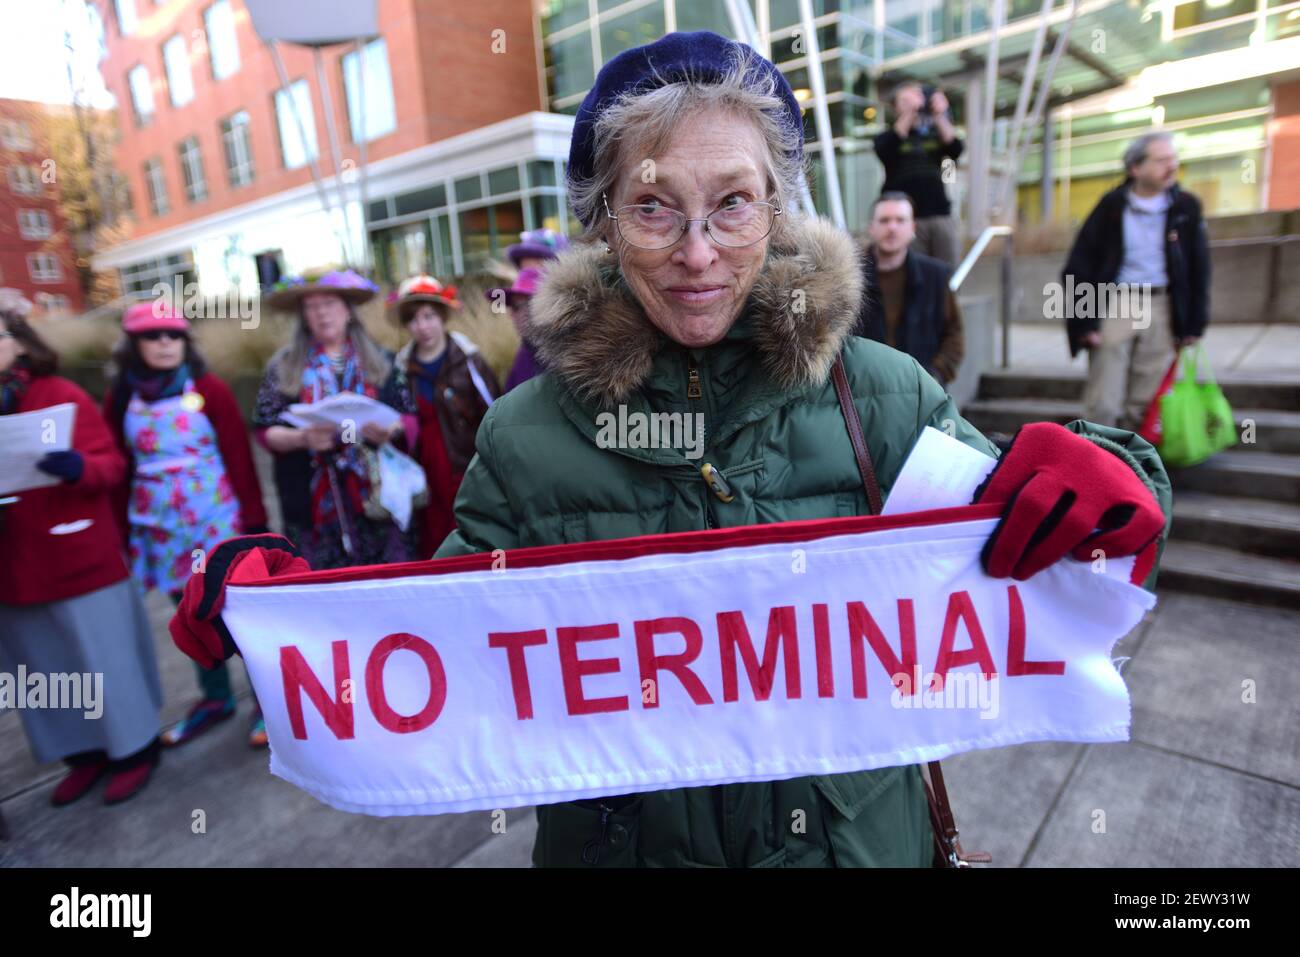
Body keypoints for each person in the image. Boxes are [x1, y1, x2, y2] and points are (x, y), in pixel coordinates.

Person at [428, 32, 1171, 867]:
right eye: (652, 207)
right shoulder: (525, 433)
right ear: (601, 222)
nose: (698, 251)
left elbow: (1065, 550)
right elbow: (427, 644)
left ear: (780, 207)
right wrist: (277, 616)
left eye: (734, 203)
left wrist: (1113, 481)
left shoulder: (885, 397)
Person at [0, 292, 164, 806]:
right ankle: (84, 754)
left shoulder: (58, 393)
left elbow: (112, 466)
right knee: (42, 670)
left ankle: (135, 750)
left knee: (102, 659)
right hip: (13, 568)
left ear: (18, 344)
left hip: (76, 559)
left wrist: (76, 467)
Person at [103, 301, 271, 749]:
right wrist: (120, 530)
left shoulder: (209, 389)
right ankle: (216, 699)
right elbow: (119, 466)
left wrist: (254, 521)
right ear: (133, 345)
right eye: (152, 336)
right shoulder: (122, 396)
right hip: (161, 529)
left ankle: (267, 702)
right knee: (190, 614)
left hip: (214, 521)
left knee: (235, 610)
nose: (164, 343)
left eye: (173, 335)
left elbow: (239, 455)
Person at [253, 269, 413, 569]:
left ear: (348, 311)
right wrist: (301, 438)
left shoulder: (384, 361)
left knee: (386, 581)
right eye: (312, 307)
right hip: (311, 503)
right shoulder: (284, 367)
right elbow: (264, 429)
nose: (322, 313)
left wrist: (390, 430)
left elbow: (408, 415)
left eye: (329, 303)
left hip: (378, 499)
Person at [1063, 131, 1211, 430]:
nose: (1171, 166)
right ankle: (1096, 467)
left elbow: (1199, 268)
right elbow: (1079, 264)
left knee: (1145, 402)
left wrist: (1193, 323)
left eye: (1173, 158)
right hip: (1118, 301)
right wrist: (1083, 322)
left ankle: (1134, 470)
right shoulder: (1111, 206)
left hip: (1163, 305)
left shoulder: (1186, 207)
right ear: (1135, 168)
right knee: (1103, 401)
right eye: (1161, 160)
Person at [380, 275, 499, 557]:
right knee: (432, 543)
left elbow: (493, 414)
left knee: (471, 538)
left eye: (429, 316)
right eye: (413, 319)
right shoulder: (400, 368)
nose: (422, 327)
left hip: (465, 468)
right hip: (422, 474)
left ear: (442, 316)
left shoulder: (469, 360)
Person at [853, 191, 964, 387]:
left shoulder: (936, 276)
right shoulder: (851, 277)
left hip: (923, 395)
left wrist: (933, 376)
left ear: (913, 228)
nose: (892, 228)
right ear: (872, 227)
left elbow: (954, 335)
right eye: (885, 220)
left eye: (900, 220)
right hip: (864, 394)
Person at [872, 81, 964, 266]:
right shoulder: (888, 136)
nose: (916, 102)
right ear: (895, 107)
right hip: (906, 218)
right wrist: (910, 112)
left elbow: (955, 148)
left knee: (948, 273)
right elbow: (884, 149)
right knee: (914, 273)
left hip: (939, 213)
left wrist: (939, 114)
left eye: (918, 97)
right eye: (905, 100)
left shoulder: (935, 133)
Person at [498, 229, 569, 391]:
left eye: (542, 269)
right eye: (524, 271)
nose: (531, 277)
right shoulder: (526, 353)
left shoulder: (583, 350)